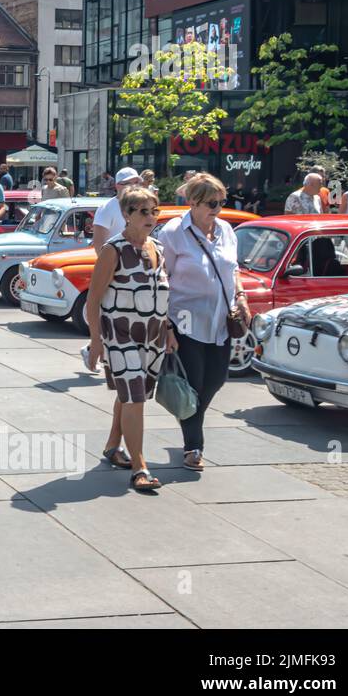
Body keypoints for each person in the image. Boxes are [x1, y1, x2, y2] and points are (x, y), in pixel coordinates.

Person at [161, 173, 250, 472]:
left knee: (216, 381)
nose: (218, 208)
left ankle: (190, 423)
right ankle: (193, 446)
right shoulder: (173, 232)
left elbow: (233, 268)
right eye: (211, 203)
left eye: (222, 202)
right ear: (192, 202)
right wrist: (167, 327)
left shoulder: (226, 230)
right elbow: (162, 281)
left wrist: (241, 296)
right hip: (185, 321)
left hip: (221, 320)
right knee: (194, 384)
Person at [86, 186, 168, 494]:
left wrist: (169, 331)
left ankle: (112, 446)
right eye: (143, 212)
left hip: (154, 336)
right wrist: (97, 342)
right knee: (135, 398)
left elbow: (161, 294)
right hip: (119, 334)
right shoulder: (113, 249)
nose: (150, 217)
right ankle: (140, 467)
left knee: (130, 393)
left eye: (154, 211)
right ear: (126, 215)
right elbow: (93, 300)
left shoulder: (157, 247)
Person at [91, 167, 143, 251]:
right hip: (115, 260)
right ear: (117, 186)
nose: (134, 186)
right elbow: (98, 243)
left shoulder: (143, 206)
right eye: (128, 183)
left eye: (136, 182)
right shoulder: (106, 208)